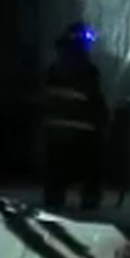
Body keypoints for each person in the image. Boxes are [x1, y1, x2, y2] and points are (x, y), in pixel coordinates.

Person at [40, 21, 108, 211]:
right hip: (82, 134)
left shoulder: (55, 68)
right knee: (91, 169)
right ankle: (89, 200)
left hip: (56, 134)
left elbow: (47, 99)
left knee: (55, 173)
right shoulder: (87, 70)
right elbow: (95, 101)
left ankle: (53, 201)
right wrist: (103, 122)